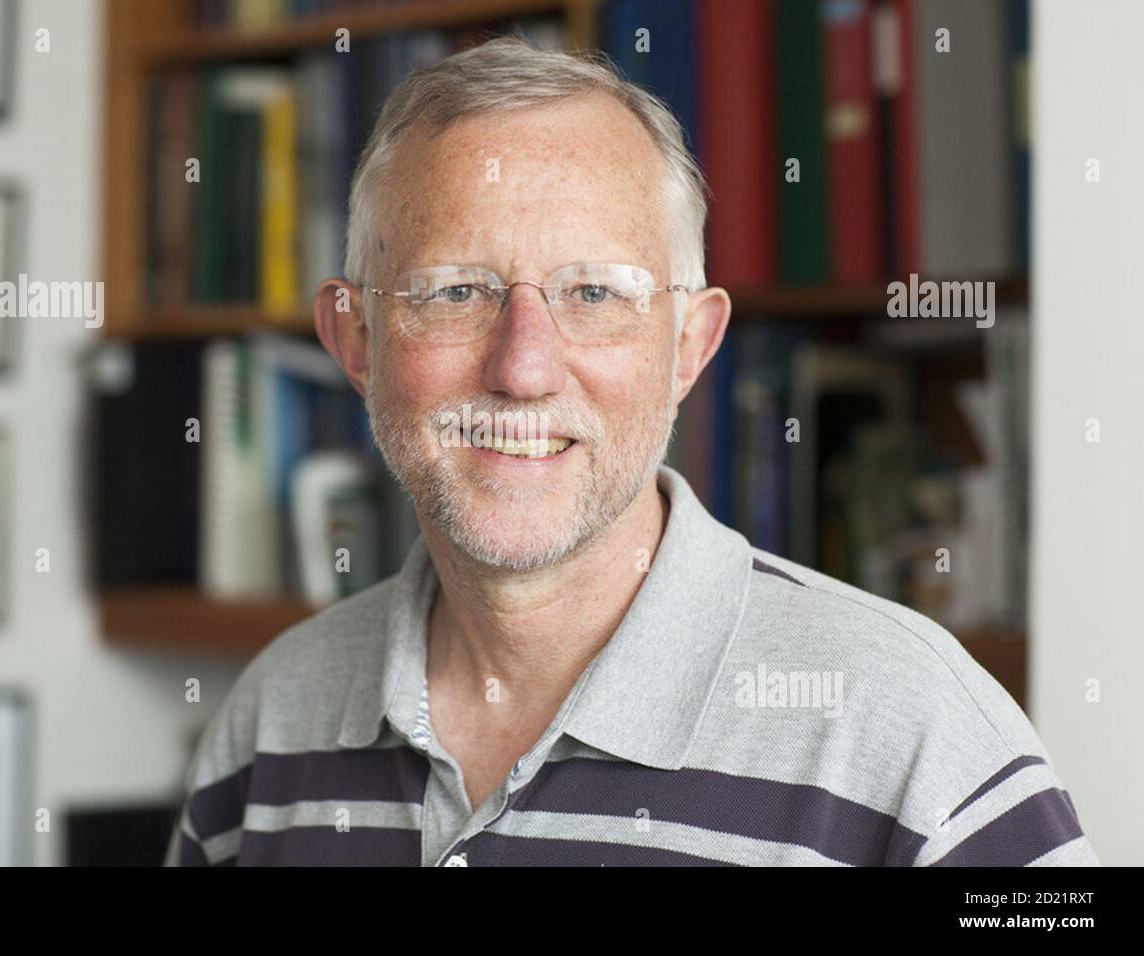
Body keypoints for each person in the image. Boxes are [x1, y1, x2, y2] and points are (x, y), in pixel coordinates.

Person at [165, 37, 1096, 867]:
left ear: (690, 345)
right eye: (454, 292)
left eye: (596, 294)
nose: (523, 368)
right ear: (356, 339)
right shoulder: (269, 724)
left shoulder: (917, 738)